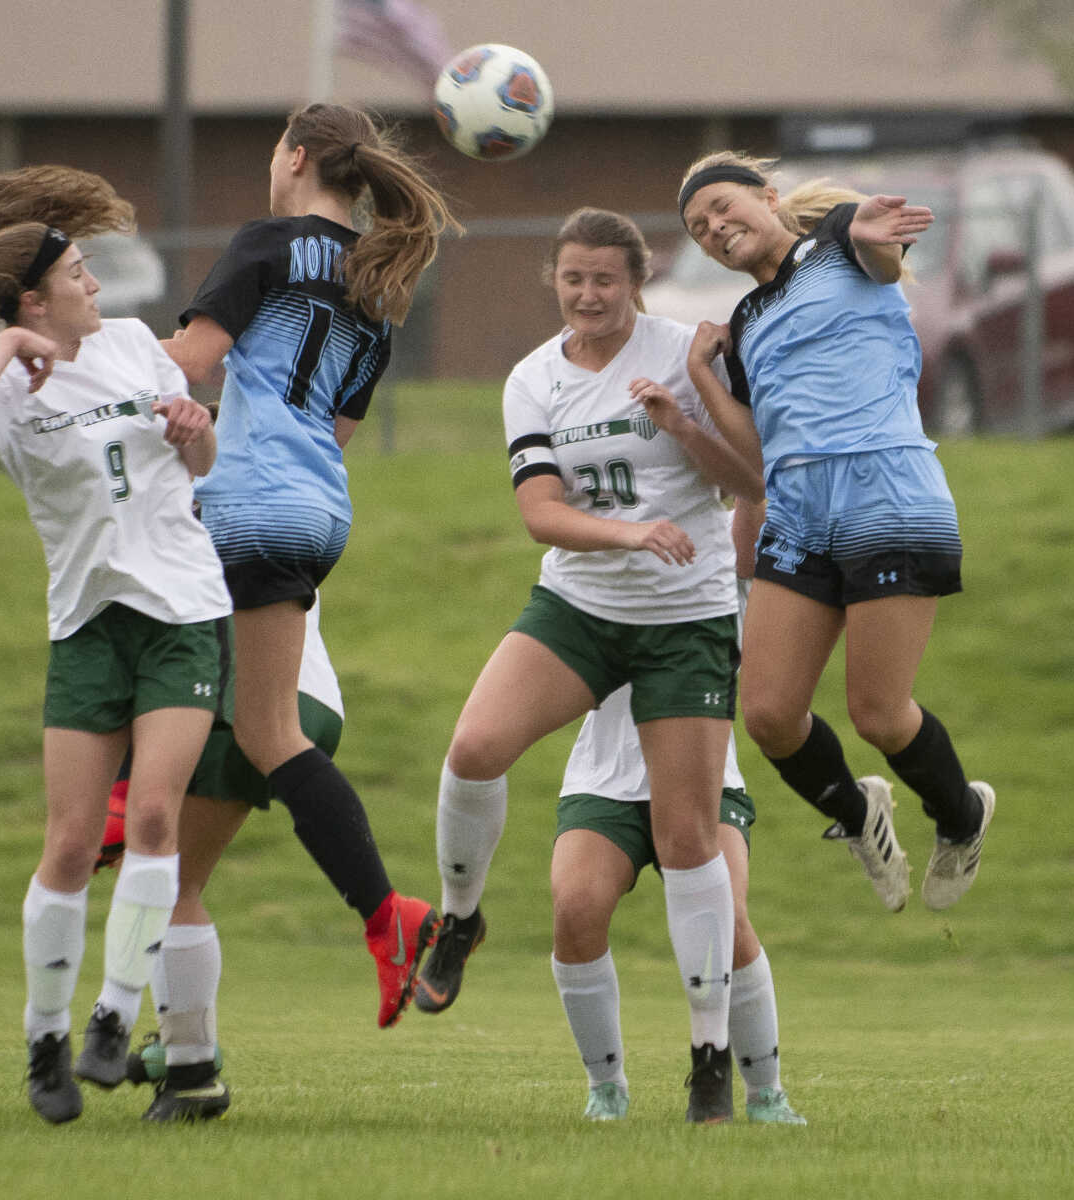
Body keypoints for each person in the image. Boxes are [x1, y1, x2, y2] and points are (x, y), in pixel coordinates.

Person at [415, 207, 766, 1123]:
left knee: (690, 842)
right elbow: (539, 512)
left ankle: (706, 1058)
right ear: (555, 279)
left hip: (685, 620)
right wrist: (628, 534)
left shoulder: (689, 350)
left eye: (604, 280)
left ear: (634, 280)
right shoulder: (533, 377)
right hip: (581, 605)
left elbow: (755, 477)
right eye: (572, 279)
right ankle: (458, 919)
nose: (587, 296)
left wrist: (683, 413)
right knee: (475, 746)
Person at [0, 166, 233, 1125]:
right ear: (33, 298)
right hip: (87, 626)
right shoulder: (4, 387)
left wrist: (193, 428)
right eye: (80, 275)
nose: (96, 286)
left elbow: (201, 456)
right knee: (66, 842)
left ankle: (112, 1015)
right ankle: (45, 1039)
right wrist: (13, 343)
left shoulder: (138, 345)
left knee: (151, 822)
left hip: (181, 608)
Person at [155, 102, 459, 1053]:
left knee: (265, 729)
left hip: (247, 506)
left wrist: (80, 356)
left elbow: (188, 364)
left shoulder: (268, 244)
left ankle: (388, 914)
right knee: (244, 720)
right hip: (319, 512)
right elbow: (334, 433)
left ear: (293, 157)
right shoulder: (375, 277)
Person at [676, 153, 994, 914]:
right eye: (698, 229)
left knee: (878, 715)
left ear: (767, 198)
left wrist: (876, 233)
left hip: (886, 492)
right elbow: (756, 453)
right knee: (767, 715)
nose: (716, 229)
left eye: (723, 207)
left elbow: (877, 248)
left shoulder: (842, 246)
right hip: (797, 510)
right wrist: (700, 378)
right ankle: (858, 817)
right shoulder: (746, 322)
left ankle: (961, 816)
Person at [552, 556, 804, 1126]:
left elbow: (751, 510)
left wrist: (749, 476)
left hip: (706, 777)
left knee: (729, 922)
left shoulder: (724, 562)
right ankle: (606, 1087)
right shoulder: (603, 552)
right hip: (606, 779)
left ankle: (766, 1092)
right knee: (576, 908)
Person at [91, 598, 344, 1121]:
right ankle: (180, 1043)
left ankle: (193, 1071)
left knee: (169, 884)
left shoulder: (160, 514)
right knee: (164, 878)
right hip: (298, 688)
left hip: (232, 693)